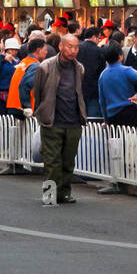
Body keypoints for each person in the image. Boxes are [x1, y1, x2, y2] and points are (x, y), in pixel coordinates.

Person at [28, 34, 86, 204]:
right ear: (61, 46)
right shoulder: (45, 67)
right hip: (52, 121)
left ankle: (64, 193)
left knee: (68, 161)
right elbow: (37, 93)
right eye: (69, 46)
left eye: (76, 47)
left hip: (73, 122)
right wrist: (42, 112)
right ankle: (49, 195)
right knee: (52, 162)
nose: (73, 50)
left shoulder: (79, 68)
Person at [98, 41, 137, 126]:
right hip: (128, 111)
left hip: (112, 115)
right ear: (120, 56)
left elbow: (102, 100)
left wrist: (106, 120)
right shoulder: (127, 70)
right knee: (128, 138)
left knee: (115, 138)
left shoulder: (103, 75)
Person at [6, 37, 48, 115]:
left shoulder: (24, 62)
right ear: (38, 50)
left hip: (13, 105)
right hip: (23, 109)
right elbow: (24, 85)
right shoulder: (35, 66)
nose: (46, 52)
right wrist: (27, 106)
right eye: (45, 49)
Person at [76, 27, 106, 119]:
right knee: (93, 120)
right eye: (98, 38)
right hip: (94, 90)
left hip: (77, 88)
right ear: (94, 37)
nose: (99, 40)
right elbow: (101, 72)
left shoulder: (76, 48)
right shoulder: (99, 51)